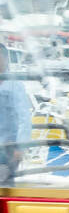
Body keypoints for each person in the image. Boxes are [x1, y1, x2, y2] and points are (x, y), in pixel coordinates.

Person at [0, 48, 31, 182]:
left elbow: (24, 118)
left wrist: (20, 147)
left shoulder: (14, 84)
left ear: (6, 60)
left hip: (8, 148)